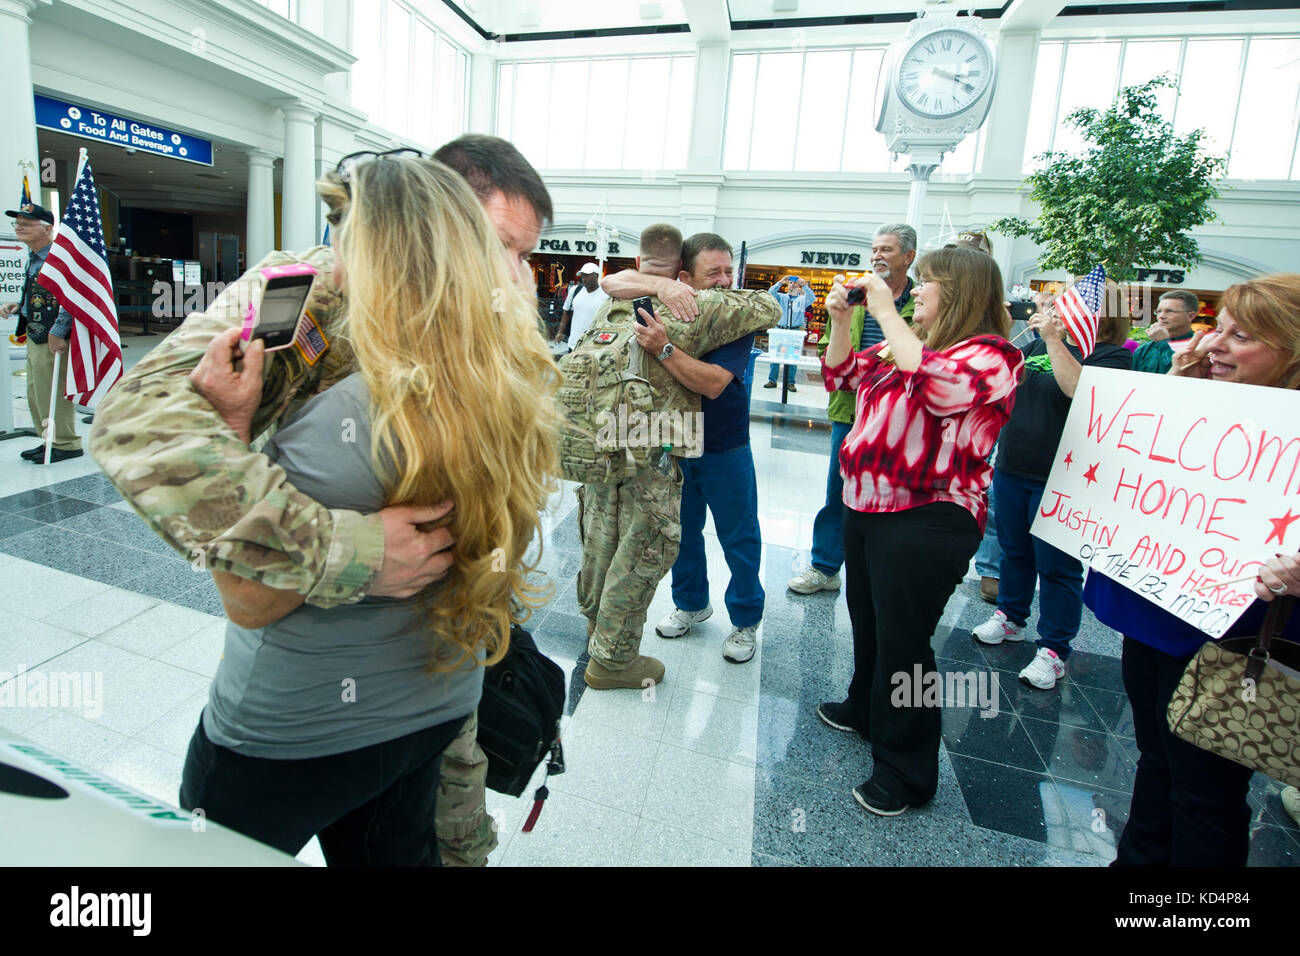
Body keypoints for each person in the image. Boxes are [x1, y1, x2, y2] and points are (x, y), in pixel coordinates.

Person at [89, 134, 555, 868]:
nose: (514, 275)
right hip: (306, 678)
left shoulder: (481, 329)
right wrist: (348, 550)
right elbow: (145, 424)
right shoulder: (305, 292)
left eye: (524, 254)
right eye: (499, 245)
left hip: (434, 678)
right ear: (434, 222)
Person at [1084, 273, 1300, 867]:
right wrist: (1180, 383)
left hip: (1233, 635)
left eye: (1244, 336)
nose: (1217, 345)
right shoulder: (1199, 397)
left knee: (1206, 789)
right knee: (1155, 756)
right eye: (1220, 329)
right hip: (1157, 608)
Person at [817, 246, 1022, 816]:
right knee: (870, 623)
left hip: (928, 517)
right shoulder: (911, 343)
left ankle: (907, 770)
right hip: (867, 506)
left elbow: (940, 390)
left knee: (907, 646)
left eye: (926, 283)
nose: (916, 292)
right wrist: (840, 321)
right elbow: (841, 374)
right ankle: (865, 707)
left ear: (955, 292)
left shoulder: (994, 356)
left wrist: (885, 311)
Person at [576, 224, 779, 689]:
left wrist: (663, 347)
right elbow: (612, 281)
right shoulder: (662, 301)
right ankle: (691, 603)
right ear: (686, 275)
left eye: (730, 269)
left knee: (739, 535)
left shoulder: (730, 314)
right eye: (714, 272)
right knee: (679, 532)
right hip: (671, 438)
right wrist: (661, 285)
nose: (725, 278)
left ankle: (745, 619)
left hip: (724, 442)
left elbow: (711, 383)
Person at [971, 289, 1133, 689]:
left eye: (1069, 307)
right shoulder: (1037, 342)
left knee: (1058, 569)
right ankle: (1011, 617)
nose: (1058, 311)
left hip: (1064, 478)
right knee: (1014, 551)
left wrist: (1055, 340)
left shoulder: (1111, 354)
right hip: (1012, 466)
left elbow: (1078, 391)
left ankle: (1055, 649)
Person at [788, 223, 916, 596]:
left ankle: (886, 574)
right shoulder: (853, 294)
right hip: (851, 409)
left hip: (900, 414)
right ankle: (826, 567)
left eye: (887, 250)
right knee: (838, 489)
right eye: (874, 249)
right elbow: (831, 343)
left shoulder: (919, 302)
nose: (877, 256)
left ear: (908, 257)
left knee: (896, 493)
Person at [1, 202, 83, 463]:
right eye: (17, 223)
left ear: (47, 229)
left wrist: (58, 331)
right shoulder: (35, 257)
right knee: (36, 391)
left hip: (52, 336)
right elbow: (41, 296)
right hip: (36, 332)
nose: (19, 228)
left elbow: (70, 297)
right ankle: (49, 439)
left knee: (52, 391)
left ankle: (66, 443)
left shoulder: (57, 257)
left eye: (26, 224)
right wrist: (19, 307)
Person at [763, 274, 814, 391]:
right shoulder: (781, 298)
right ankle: (772, 380)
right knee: (775, 356)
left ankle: (790, 383)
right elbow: (770, 294)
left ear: (798, 286)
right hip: (780, 329)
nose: (793, 284)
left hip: (794, 331)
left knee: (792, 358)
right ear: (787, 285)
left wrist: (805, 286)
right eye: (790, 283)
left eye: (795, 283)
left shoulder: (802, 299)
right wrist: (780, 283)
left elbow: (812, 298)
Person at [1131, 290, 1198, 374]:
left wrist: (1163, 342)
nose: (1161, 316)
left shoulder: (1200, 348)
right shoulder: (1144, 349)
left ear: (1190, 316)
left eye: (1169, 311)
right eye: (1158, 311)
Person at [555, 262, 608, 349]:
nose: (584, 279)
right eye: (582, 276)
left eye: (587, 275)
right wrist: (560, 332)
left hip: (593, 345)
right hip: (574, 343)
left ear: (596, 276)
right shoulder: (575, 291)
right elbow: (566, 312)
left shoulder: (605, 295)